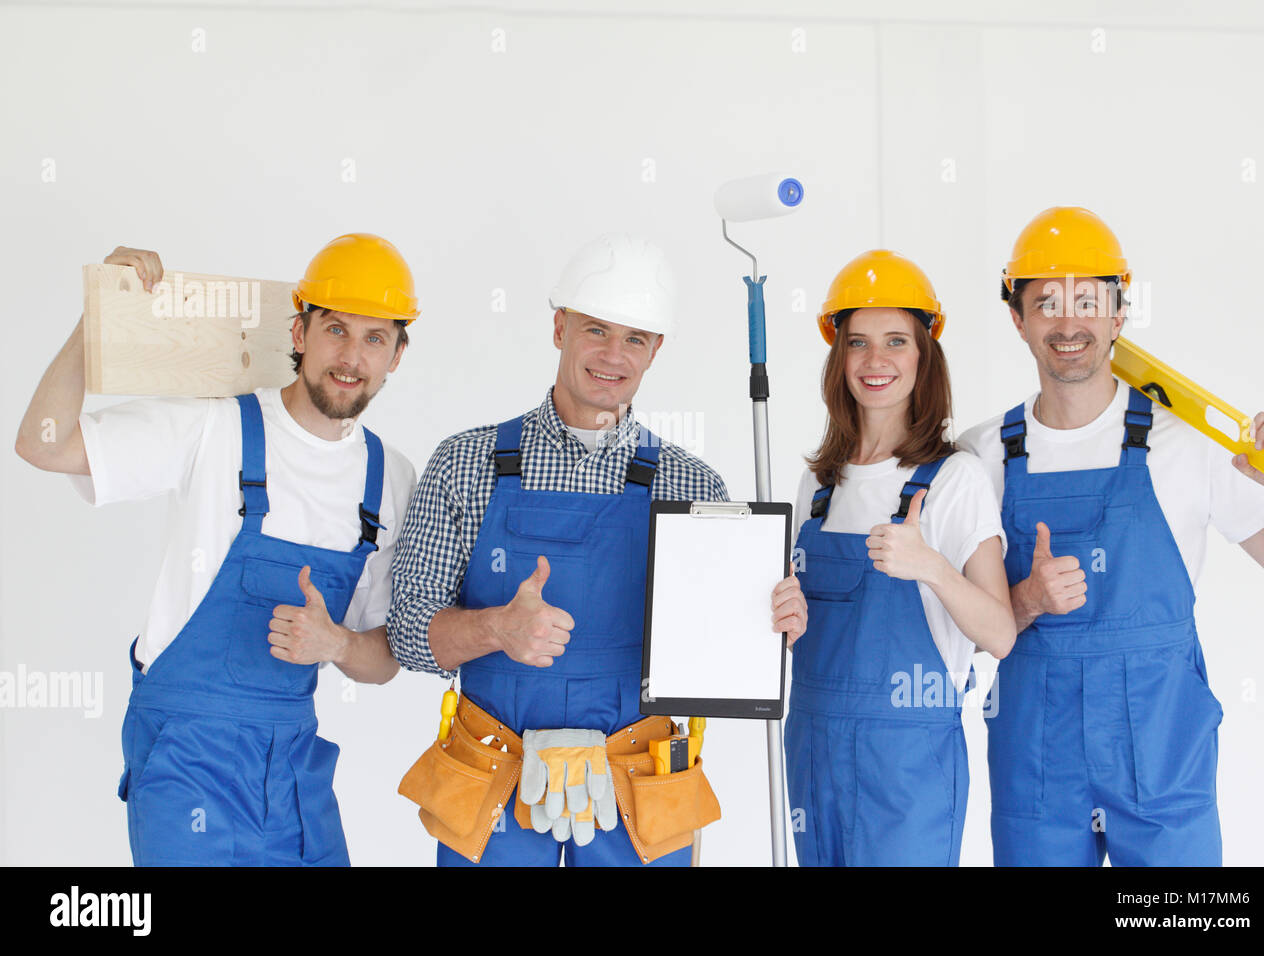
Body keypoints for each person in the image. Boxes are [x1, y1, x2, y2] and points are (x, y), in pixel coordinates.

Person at [388, 233, 807, 866]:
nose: (614, 355)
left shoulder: (691, 486)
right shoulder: (466, 464)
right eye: (596, 330)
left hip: (637, 784)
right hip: (496, 777)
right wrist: (497, 628)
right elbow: (408, 636)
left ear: (656, 350)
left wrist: (769, 624)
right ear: (559, 328)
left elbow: (723, 653)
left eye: (635, 338)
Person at [14, 234, 419, 865]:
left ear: (397, 354)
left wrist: (336, 643)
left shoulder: (388, 478)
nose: (351, 356)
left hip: (292, 766)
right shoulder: (214, 428)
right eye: (335, 329)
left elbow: (384, 660)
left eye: (375, 338)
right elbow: (43, 443)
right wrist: (96, 317)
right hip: (187, 758)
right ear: (298, 332)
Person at [959, 206, 1264, 866]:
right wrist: (1026, 598)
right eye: (1047, 302)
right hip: (1038, 758)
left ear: (1119, 315)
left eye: (1089, 300)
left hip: (1163, 751)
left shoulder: (1188, 443)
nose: (1069, 322)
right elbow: (967, 625)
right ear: (1018, 319)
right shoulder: (983, 456)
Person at [786, 250, 1014, 866]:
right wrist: (780, 617)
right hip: (812, 750)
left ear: (923, 356)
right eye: (858, 343)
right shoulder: (817, 487)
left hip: (908, 763)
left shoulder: (954, 479)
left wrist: (930, 567)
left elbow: (1000, 634)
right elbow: (791, 634)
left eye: (896, 341)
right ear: (839, 357)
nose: (875, 360)